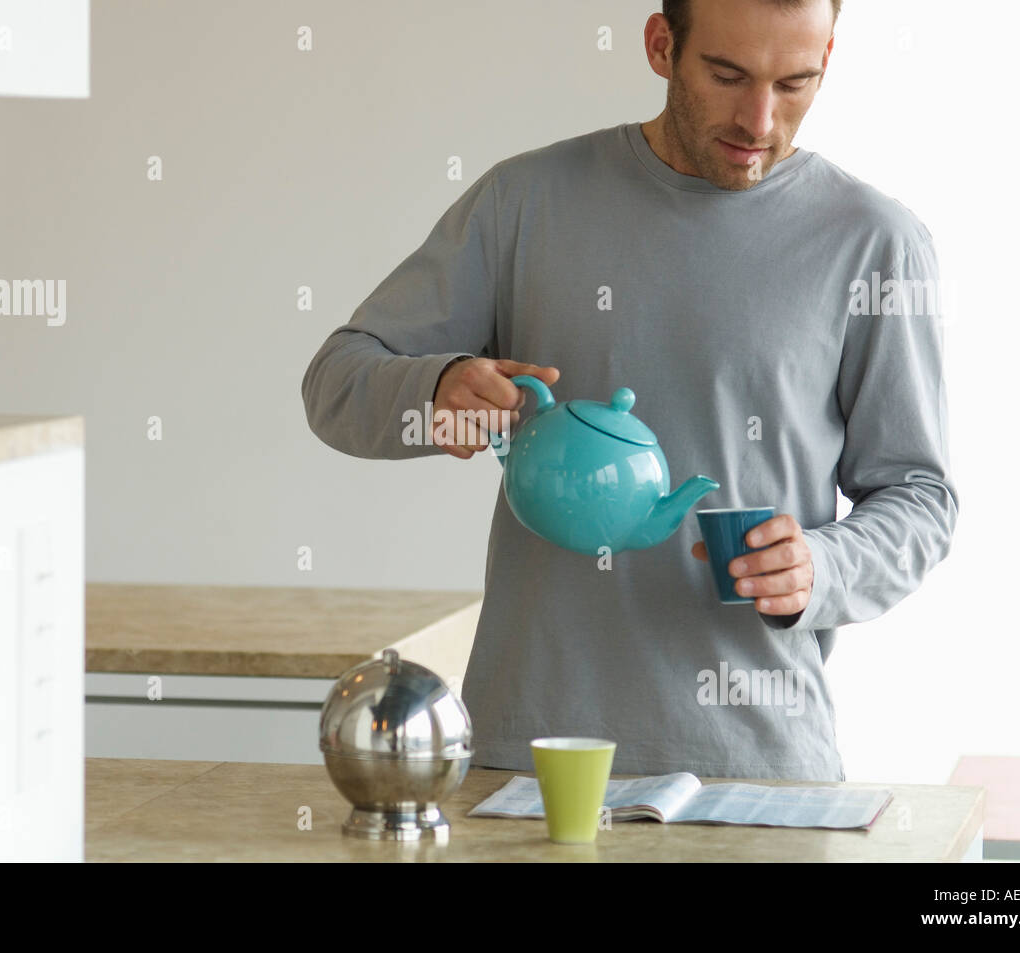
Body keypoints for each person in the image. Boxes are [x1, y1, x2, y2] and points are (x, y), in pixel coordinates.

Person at [301, 0, 958, 780]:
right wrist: (435, 387)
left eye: (795, 83)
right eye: (726, 75)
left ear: (828, 60)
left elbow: (920, 494)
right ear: (660, 45)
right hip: (528, 756)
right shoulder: (523, 203)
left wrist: (826, 565)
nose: (759, 119)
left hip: (761, 768)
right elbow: (335, 383)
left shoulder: (875, 241)